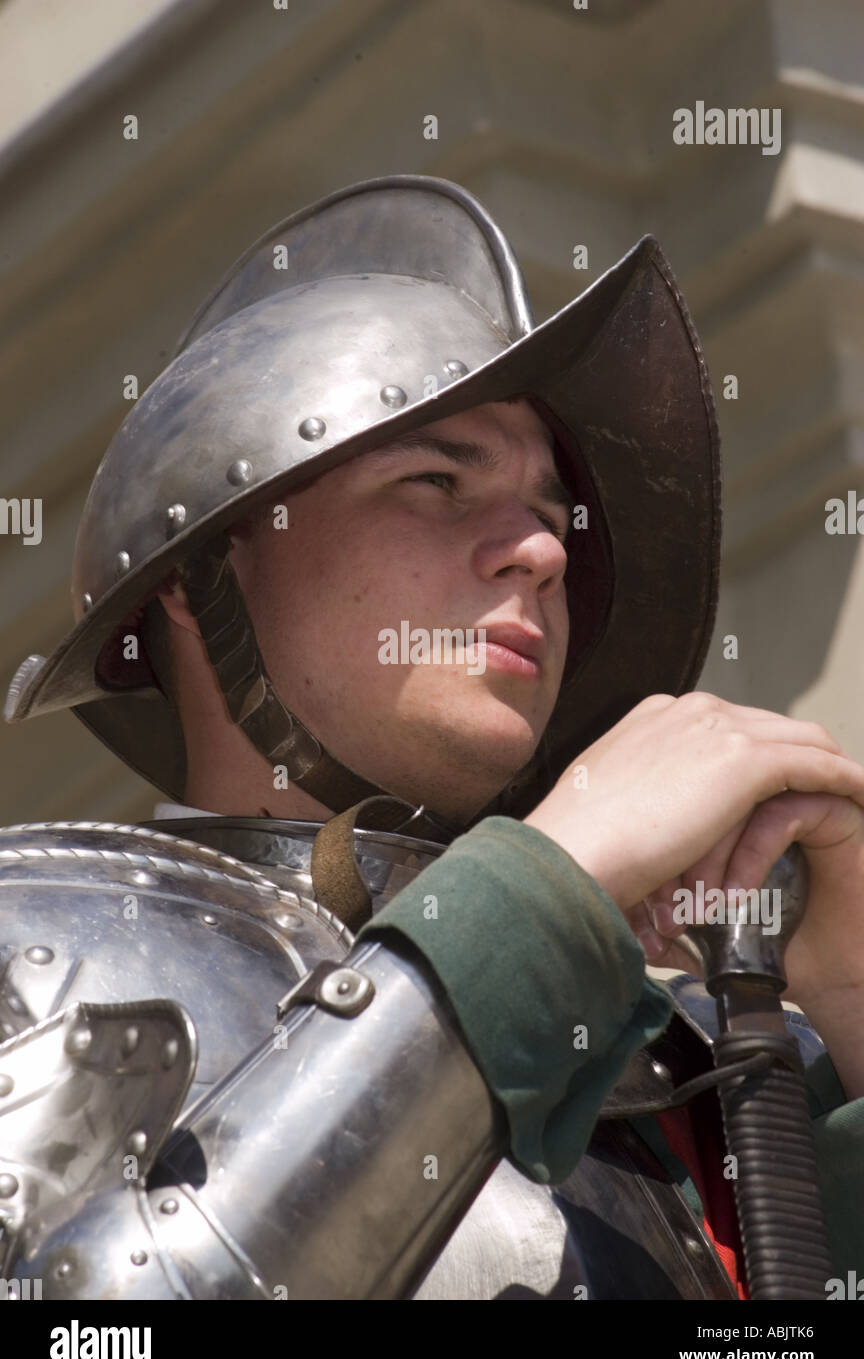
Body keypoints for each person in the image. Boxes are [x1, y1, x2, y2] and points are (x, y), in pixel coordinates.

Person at [3, 175, 863, 1301]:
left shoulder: (701, 1069)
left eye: (554, 516)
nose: (542, 553)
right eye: (438, 480)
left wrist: (851, 1001)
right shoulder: (34, 945)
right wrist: (534, 907)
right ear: (200, 573)